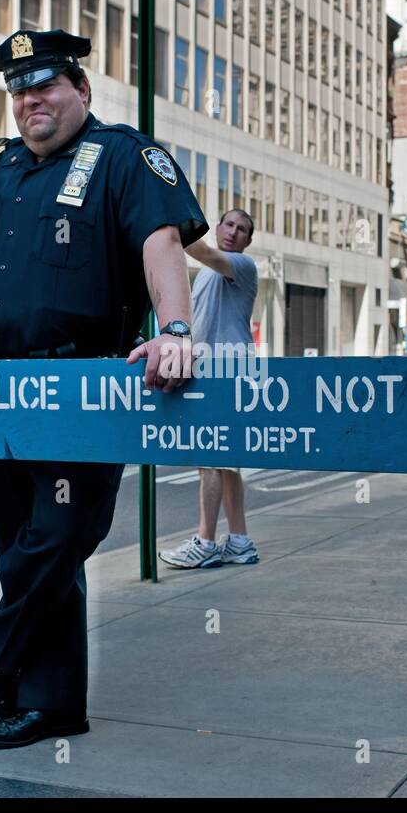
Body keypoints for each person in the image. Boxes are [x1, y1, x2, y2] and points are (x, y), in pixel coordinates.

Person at [0, 29, 206, 750]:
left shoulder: (123, 154)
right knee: (20, 542)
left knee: (65, 532)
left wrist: (177, 330)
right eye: (20, 90)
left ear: (81, 91)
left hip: (82, 381)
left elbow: (161, 242)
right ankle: (48, 701)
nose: (31, 99)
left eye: (46, 86)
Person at [160, 209, 260, 570]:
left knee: (210, 458)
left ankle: (204, 541)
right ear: (218, 227)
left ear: (248, 241)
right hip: (215, 369)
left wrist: (166, 221)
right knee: (227, 461)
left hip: (228, 370)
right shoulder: (205, 277)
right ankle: (239, 541)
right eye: (229, 225)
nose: (234, 232)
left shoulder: (240, 266)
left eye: (242, 229)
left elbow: (203, 252)